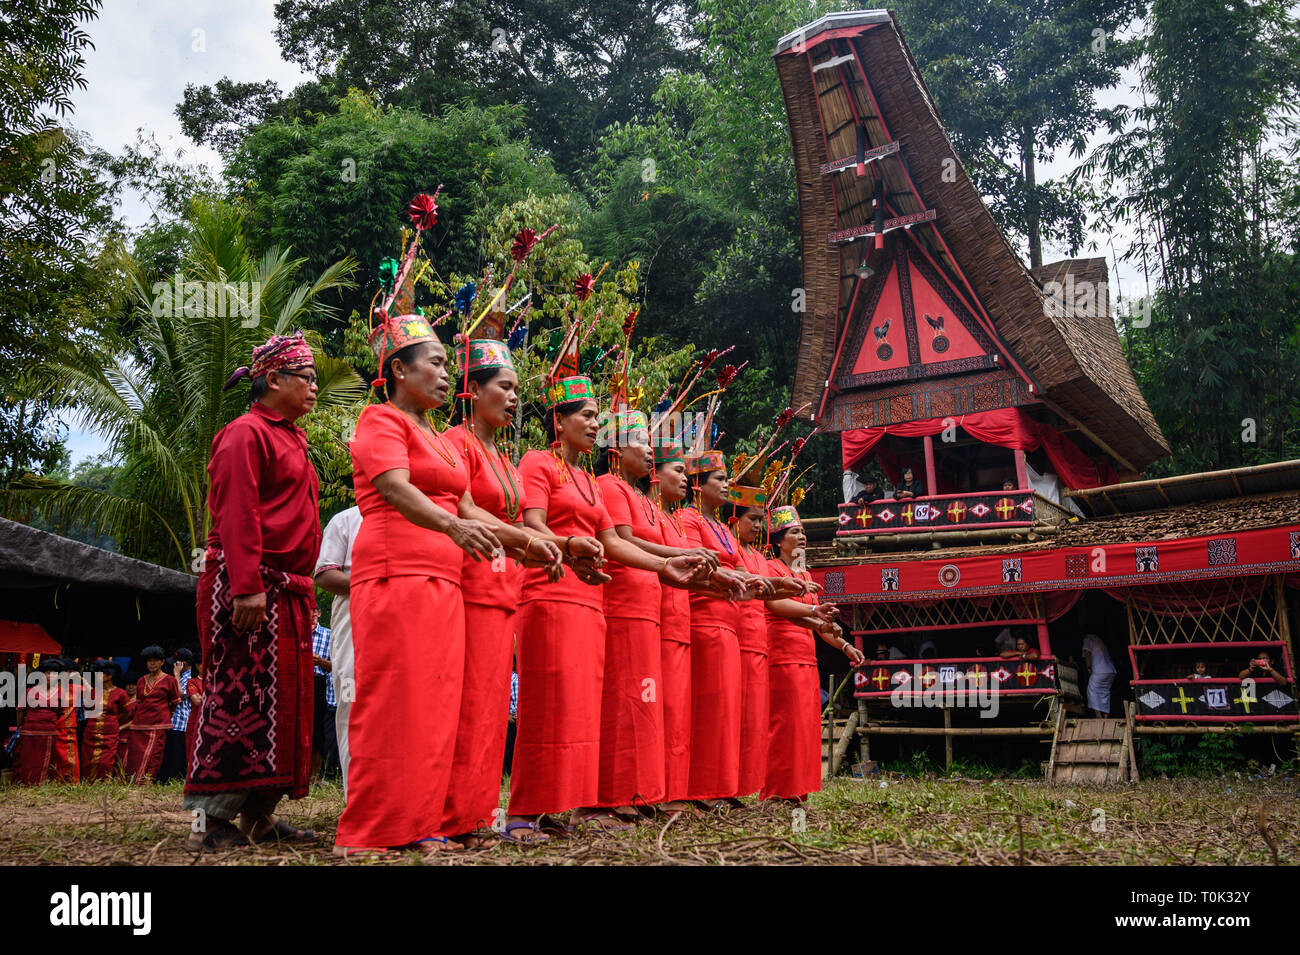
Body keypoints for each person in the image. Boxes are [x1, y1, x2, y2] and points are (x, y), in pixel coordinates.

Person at [334, 315, 563, 857]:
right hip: (396, 571)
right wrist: (452, 527)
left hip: (440, 579)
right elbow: (393, 488)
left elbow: (467, 509)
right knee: (395, 701)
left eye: (445, 364)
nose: (445, 376)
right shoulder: (379, 420)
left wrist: (539, 544)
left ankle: (419, 821)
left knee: (435, 705)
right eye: (434, 364)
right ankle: (369, 831)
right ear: (397, 369)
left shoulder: (436, 439)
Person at [507, 377, 703, 839]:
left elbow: (611, 542)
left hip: (589, 599)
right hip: (548, 591)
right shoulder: (539, 462)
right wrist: (574, 547)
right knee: (546, 705)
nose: (595, 425)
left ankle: (557, 804)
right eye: (587, 416)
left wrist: (664, 568)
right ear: (560, 421)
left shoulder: (588, 483)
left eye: (598, 417)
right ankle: (521, 812)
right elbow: (531, 525)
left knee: (577, 709)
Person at [185, 331, 322, 849]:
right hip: (245, 586)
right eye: (305, 378)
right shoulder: (245, 433)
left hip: (283, 588)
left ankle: (259, 817)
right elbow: (237, 514)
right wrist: (245, 587)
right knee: (236, 698)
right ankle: (210, 822)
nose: (313, 388)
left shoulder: (289, 435)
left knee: (285, 702)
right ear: (274, 379)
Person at [442, 335, 562, 846]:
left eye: (517, 389)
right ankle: (453, 817)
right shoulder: (455, 443)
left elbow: (512, 525)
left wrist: (552, 548)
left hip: (502, 589)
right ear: (473, 391)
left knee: (492, 708)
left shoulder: (505, 458)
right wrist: (535, 542)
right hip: (466, 584)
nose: (514, 397)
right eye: (504, 387)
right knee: (465, 705)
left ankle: (478, 813)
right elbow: (466, 511)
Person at [762, 506, 864, 803]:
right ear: (779, 541)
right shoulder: (772, 570)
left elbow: (819, 625)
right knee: (784, 724)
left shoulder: (805, 573)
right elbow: (773, 605)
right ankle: (775, 791)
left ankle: (796, 790)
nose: (802, 536)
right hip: (781, 653)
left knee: (806, 725)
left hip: (807, 657)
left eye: (803, 531)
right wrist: (814, 611)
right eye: (795, 532)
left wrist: (845, 646)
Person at [650, 442, 695, 811]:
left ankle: (674, 791)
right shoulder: (655, 513)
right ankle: (656, 790)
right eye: (677, 471)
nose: (685, 479)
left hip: (680, 620)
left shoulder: (676, 520)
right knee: (657, 708)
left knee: (678, 712)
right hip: (656, 616)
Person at [313, 504, 361, 795]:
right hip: (354, 622)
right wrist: (374, 583)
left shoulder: (419, 515)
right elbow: (324, 574)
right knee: (352, 700)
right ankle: (355, 796)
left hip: (409, 624)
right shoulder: (346, 519)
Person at [123, 645, 180, 784]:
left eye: (155, 660)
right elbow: (139, 702)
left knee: (155, 754)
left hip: (159, 723)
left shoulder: (170, 680)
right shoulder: (141, 680)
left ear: (162, 662)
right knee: (136, 753)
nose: (152, 663)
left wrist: (168, 715)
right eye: (149, 661)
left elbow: (175, 701)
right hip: (139, 723)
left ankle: (147, 782)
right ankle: (132, 782)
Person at [12, 658, 64, 785]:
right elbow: (20, 710)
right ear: (42, 675)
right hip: (29, 732)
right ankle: (24, 784)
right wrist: (20, 727)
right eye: (48, 673)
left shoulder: (60, 693)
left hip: (49, 733)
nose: (51, 676)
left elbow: (60, 712)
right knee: (27, 759)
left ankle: (40, 785)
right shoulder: (30, 691)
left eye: (55, 674)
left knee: (44, 760)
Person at [80, 660, 132, 781]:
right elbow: (86, 709)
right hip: (91, 731)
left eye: (101, 673)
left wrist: (114, 721)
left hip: (110, 733)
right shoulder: (93, 692)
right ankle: (88, 785)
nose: (98, 676)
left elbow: (127, 712)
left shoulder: (120, 693)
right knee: (88, 760)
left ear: (110, 675)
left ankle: (104, 785)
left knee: (106, 761)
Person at [158, 648, 195, 783]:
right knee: (170, 755)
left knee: (177, 756)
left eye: (176, 663)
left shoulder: (189, 677)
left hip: (182, 723)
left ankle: (176, 780)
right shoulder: (182, 676)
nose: (173, 665)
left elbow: (179, 694)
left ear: (183, 663)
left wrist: (176, 675)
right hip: (174, 722)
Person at [309, 610, 337, 783]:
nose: (310, 616)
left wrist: (320, 662)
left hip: (321, 685)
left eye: (313, 612)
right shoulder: (299, 634)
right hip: (301, 684)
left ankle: (317, 775)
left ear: (318, 613)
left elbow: (336, 666)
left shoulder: (329, 635)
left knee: (319, 731)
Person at [1081, 632, 1116, 718]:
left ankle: (1099, 716)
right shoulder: (1098, 639)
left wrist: (1088, 667)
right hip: (1110, 671)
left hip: (1100, 670)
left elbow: (1087, 653)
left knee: (1092, 691)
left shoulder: (1088, 639)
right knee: (1105, 693)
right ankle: (1106, 716)